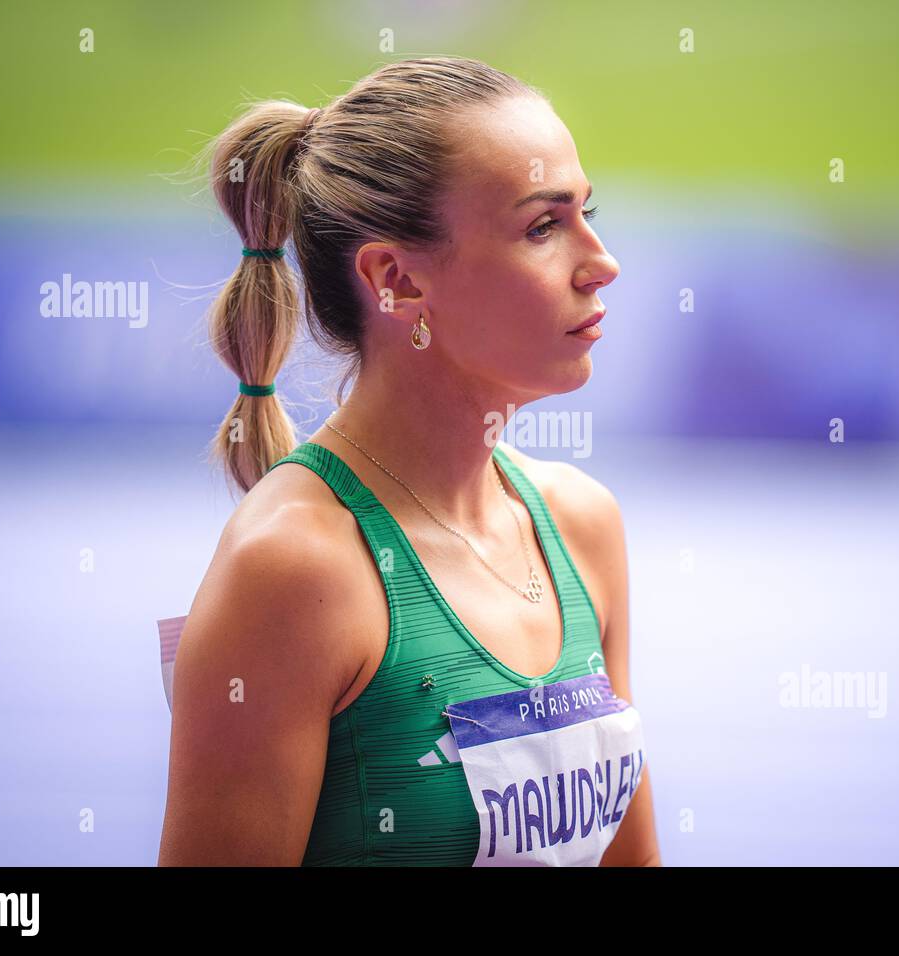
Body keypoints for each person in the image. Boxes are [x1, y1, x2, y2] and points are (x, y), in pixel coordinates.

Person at [157, 56, 659, 866]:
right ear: (396, 280)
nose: (601, 262)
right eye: (543, 226)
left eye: (587, 211)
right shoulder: (292, 569)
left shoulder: (581, 524)